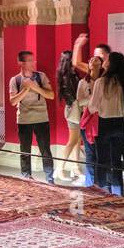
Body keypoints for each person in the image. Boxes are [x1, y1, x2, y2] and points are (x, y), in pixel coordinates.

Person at [8, 50, 55, 182]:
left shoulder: (41, 76)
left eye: (33, 60)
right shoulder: (15, 80)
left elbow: (51, 95)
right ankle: (26, 176)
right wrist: (26, 88)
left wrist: (35, 87)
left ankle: (50, 178)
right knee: (25, 150)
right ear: (20, 63)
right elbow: (13, 101)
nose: (33, 63)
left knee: (45, 150)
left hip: (41, 118)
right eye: (29, 60)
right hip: (24, 119)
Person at [72, 34, 109, 187]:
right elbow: (81, 101)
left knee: (102, 154)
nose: (94, 59)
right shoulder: (83, 82)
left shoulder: (106, 79)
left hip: (102, 120)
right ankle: (90, 184)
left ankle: (102, 184)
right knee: (90, 153)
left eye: (98, 56)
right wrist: (77, 45)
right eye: (92, 58)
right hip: (88, 121)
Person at [90, 51, 124, 194]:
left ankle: (101, 191)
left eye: (106, 59)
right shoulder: (123, 81)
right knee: (116, 161)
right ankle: (118, 192)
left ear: (110, 64)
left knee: (102, 160)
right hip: (119, 124)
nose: (104, 61)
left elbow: (92, 106)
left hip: (104, 123)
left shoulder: (101, 82)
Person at [55, 49, 83, 182]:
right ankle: (60, 167)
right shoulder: (67, 77)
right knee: (72, 140)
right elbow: (71, 96)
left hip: (75, 109)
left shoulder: (72, 74)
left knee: (77, 140)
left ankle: (76, 166)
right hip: (74, 111)